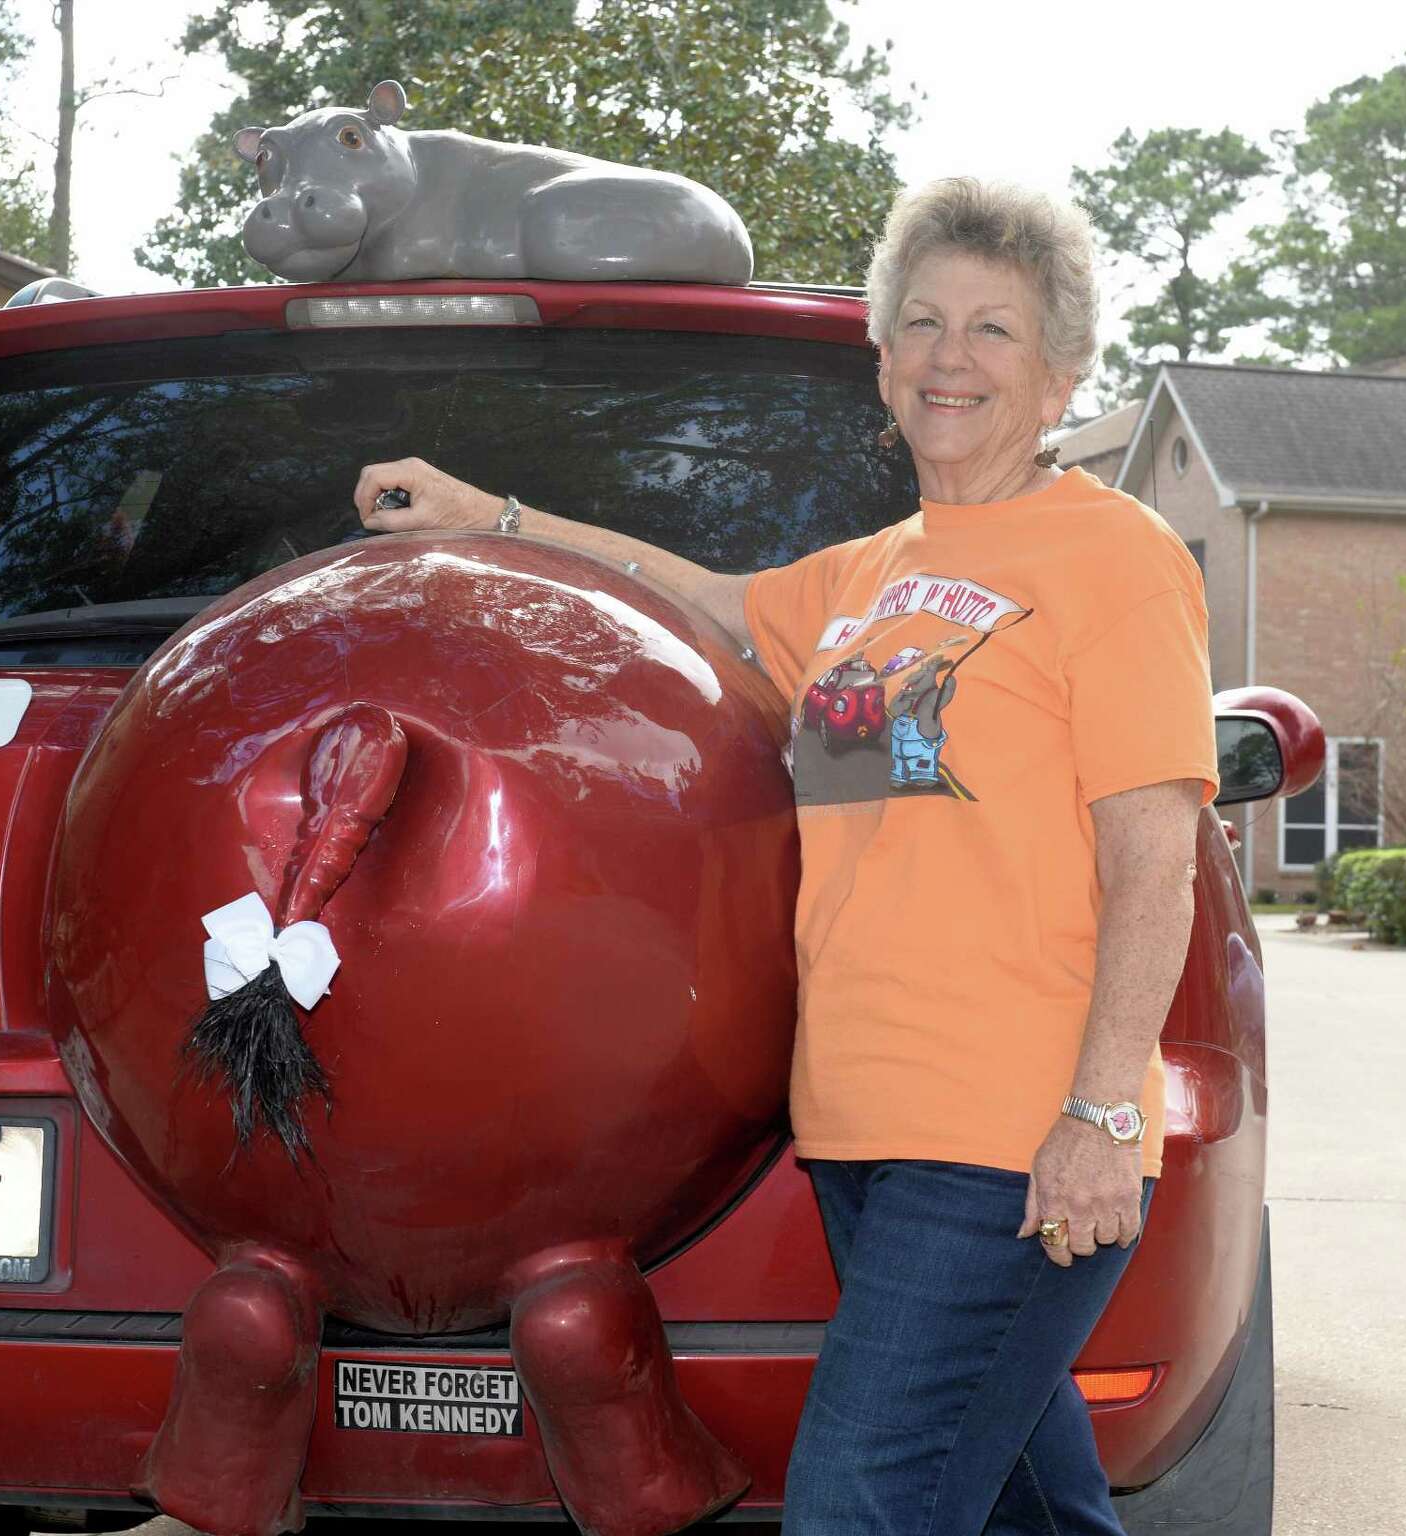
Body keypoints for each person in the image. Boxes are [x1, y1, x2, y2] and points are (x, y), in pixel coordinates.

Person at [350, 177, 1217, 1534]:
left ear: (1059, 376)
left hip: (1007, 1136)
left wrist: (1103, 1114)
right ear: (883, 360)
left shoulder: (1114, 555)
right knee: (1024, 1511)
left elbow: (1156, 855)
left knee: (857, 1504)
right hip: (866, 1128)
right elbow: (692, 597)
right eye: (921, 323)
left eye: (992, 329)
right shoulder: (868, 578)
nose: (948, 357)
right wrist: (492, 519)